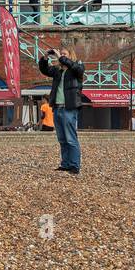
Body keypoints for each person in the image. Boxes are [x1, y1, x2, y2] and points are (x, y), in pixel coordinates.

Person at [39, 46, 85, 174]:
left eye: (65, 54)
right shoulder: (57, 71)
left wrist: (61, 57)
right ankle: (65, 164)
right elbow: (44, 69)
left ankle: (74, 165)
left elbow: (78, 69)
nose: (61, 56)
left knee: (71, 138)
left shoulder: (77, 68)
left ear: (70, 56)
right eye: (61, 54)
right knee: (62, 138)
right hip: (57, 107)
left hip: (69, 107)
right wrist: (45, 57)